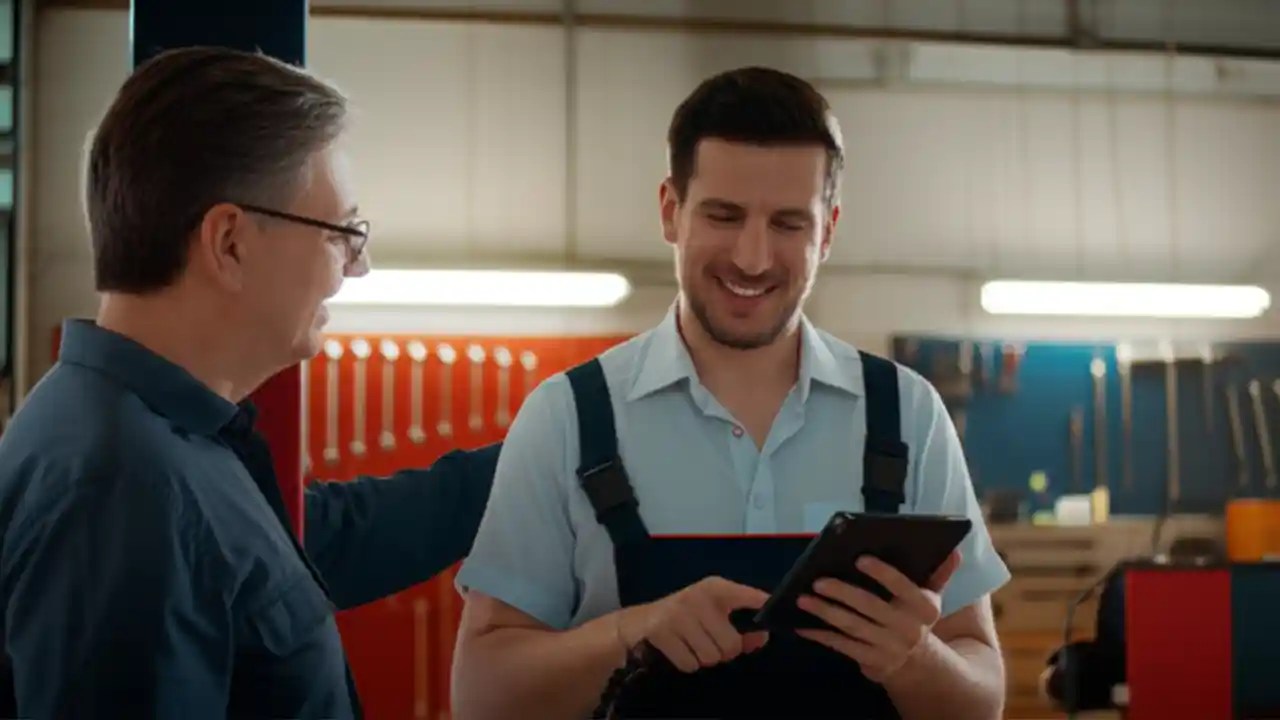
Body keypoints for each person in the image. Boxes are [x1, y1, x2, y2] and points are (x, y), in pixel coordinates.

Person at [450, 66, 1011, 719]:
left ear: (827, 230)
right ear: (670, 211)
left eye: (788, 224)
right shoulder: (568, 418)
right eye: (724, 215)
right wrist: (629, 632)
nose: (752, 257)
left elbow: (983, 696)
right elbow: (481, 696)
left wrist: (915, 659)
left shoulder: (908, 415)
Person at [0, 47, 496, 718]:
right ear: (229, 242)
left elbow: (306, 553)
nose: (358, 268)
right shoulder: (125, 487)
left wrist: (551, 450)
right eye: (342, 233)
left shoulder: (161, 441)